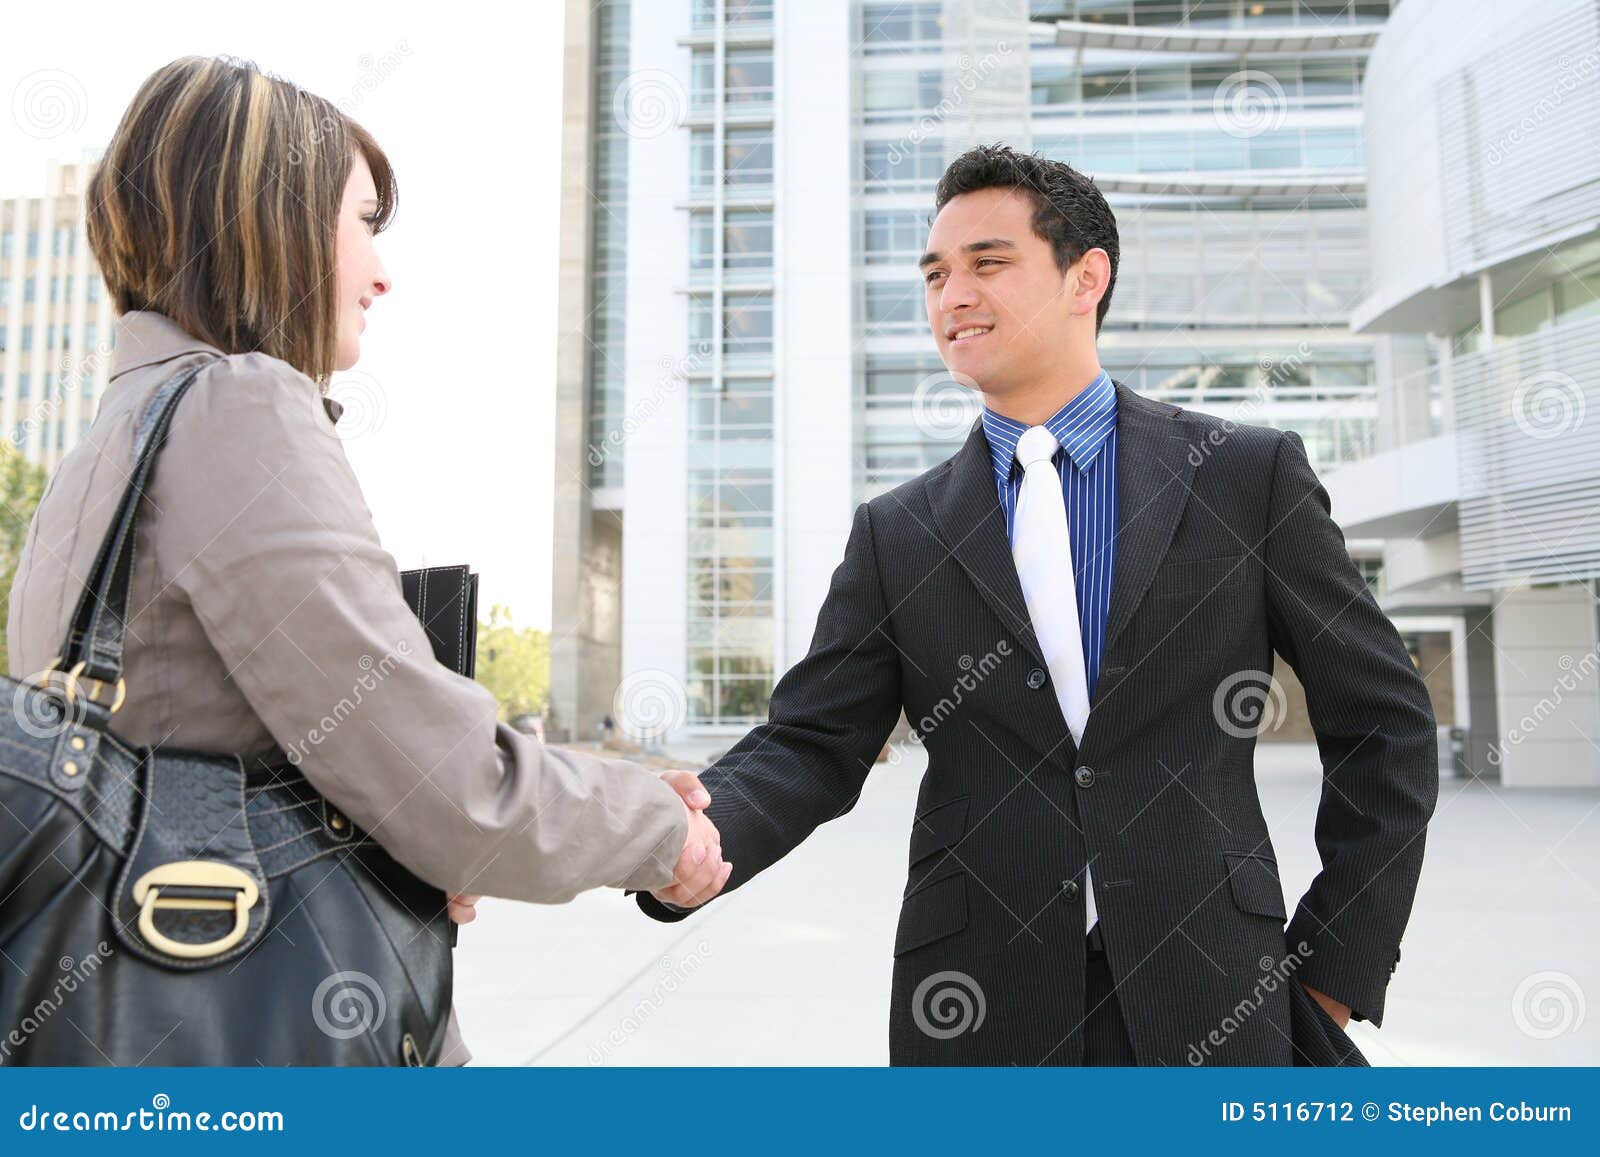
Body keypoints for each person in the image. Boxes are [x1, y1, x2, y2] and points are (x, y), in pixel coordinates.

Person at [636, 144, 1438, 1066]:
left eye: (988, 263)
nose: (952, 297)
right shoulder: (898, 532)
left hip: (1215, 992)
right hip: (977, 1007)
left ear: (1084, 277)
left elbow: (1386, 724)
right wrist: (692, 836)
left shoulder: (1244, 478)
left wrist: (1335, 965)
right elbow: (811, 742)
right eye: (936, 274)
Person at [5, 55, 730, 1067]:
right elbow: (437, 776)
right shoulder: (238, 406)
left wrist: (382, 838)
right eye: (361, 223)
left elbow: (223, 757)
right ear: (269, 221)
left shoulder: (112, 436)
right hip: (257, 1027)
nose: (382, 271)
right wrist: (654, 826)